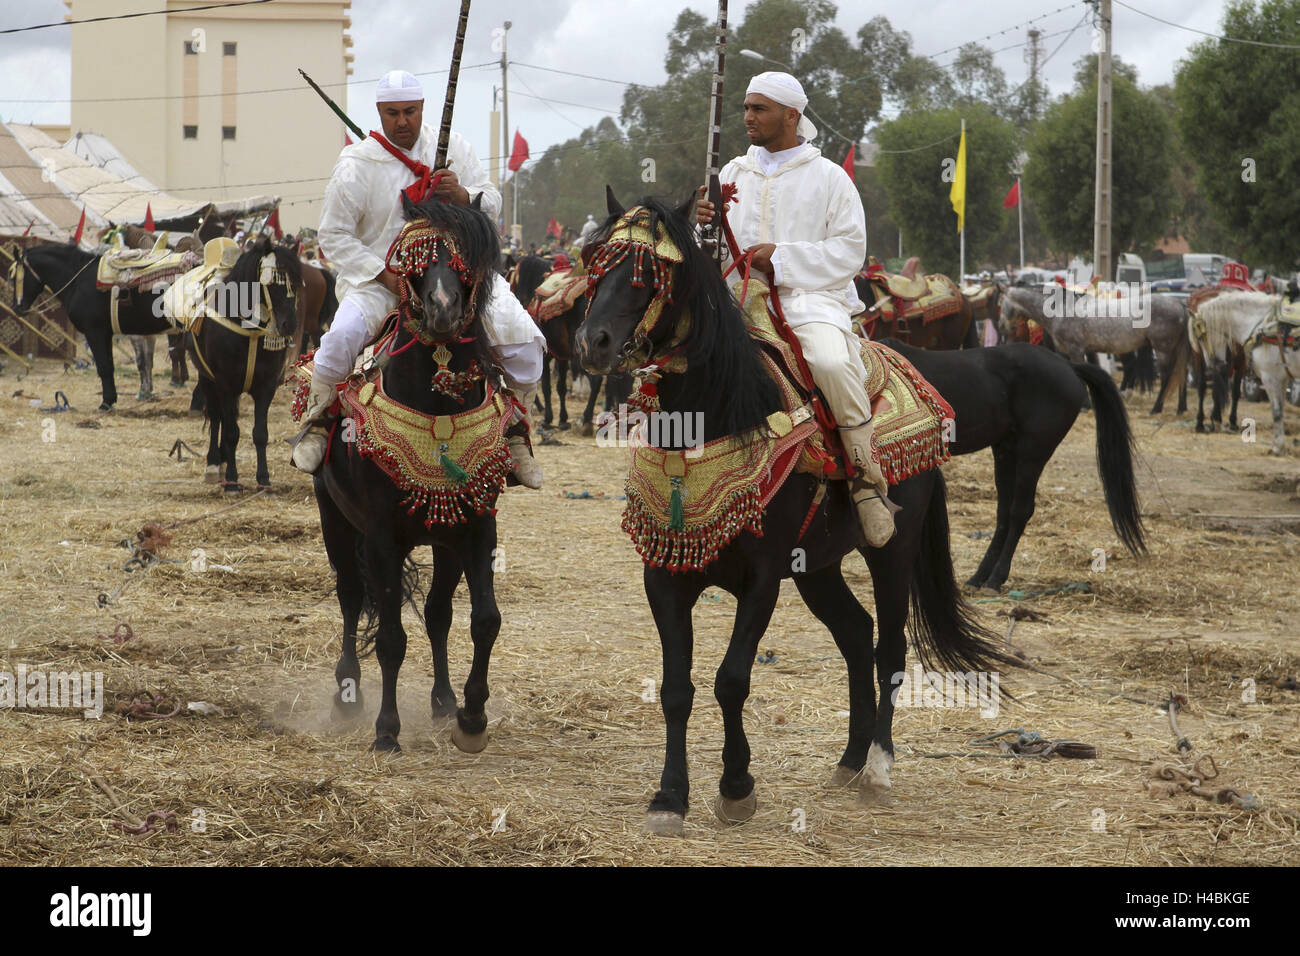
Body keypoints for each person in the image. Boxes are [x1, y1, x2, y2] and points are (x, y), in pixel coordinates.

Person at [291, 70, 545, 486]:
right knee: (339, 340)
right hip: (381, 280)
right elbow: (333, 236)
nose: (402, 121)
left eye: (410, 111)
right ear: (379, 113)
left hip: (458, 276)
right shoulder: (357, 163)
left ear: (422, 109)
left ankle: (516, 432)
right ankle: (319, 423)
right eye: (392, 113)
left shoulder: (454, 148)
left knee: (524, 340)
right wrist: (383, 274)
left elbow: (492, 202)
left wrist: (464, 197)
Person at [695, 71, 893, 547]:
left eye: (758, 108)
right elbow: (715, 256)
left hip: (811, 300)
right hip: (736, 301)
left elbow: (849, 252)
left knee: (829, 361)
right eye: (745, 107)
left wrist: (779, 257)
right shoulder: (730, 174)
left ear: (791, 115)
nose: (747, 117)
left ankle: (866, 478)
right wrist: (699, 226)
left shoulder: (830, 178)